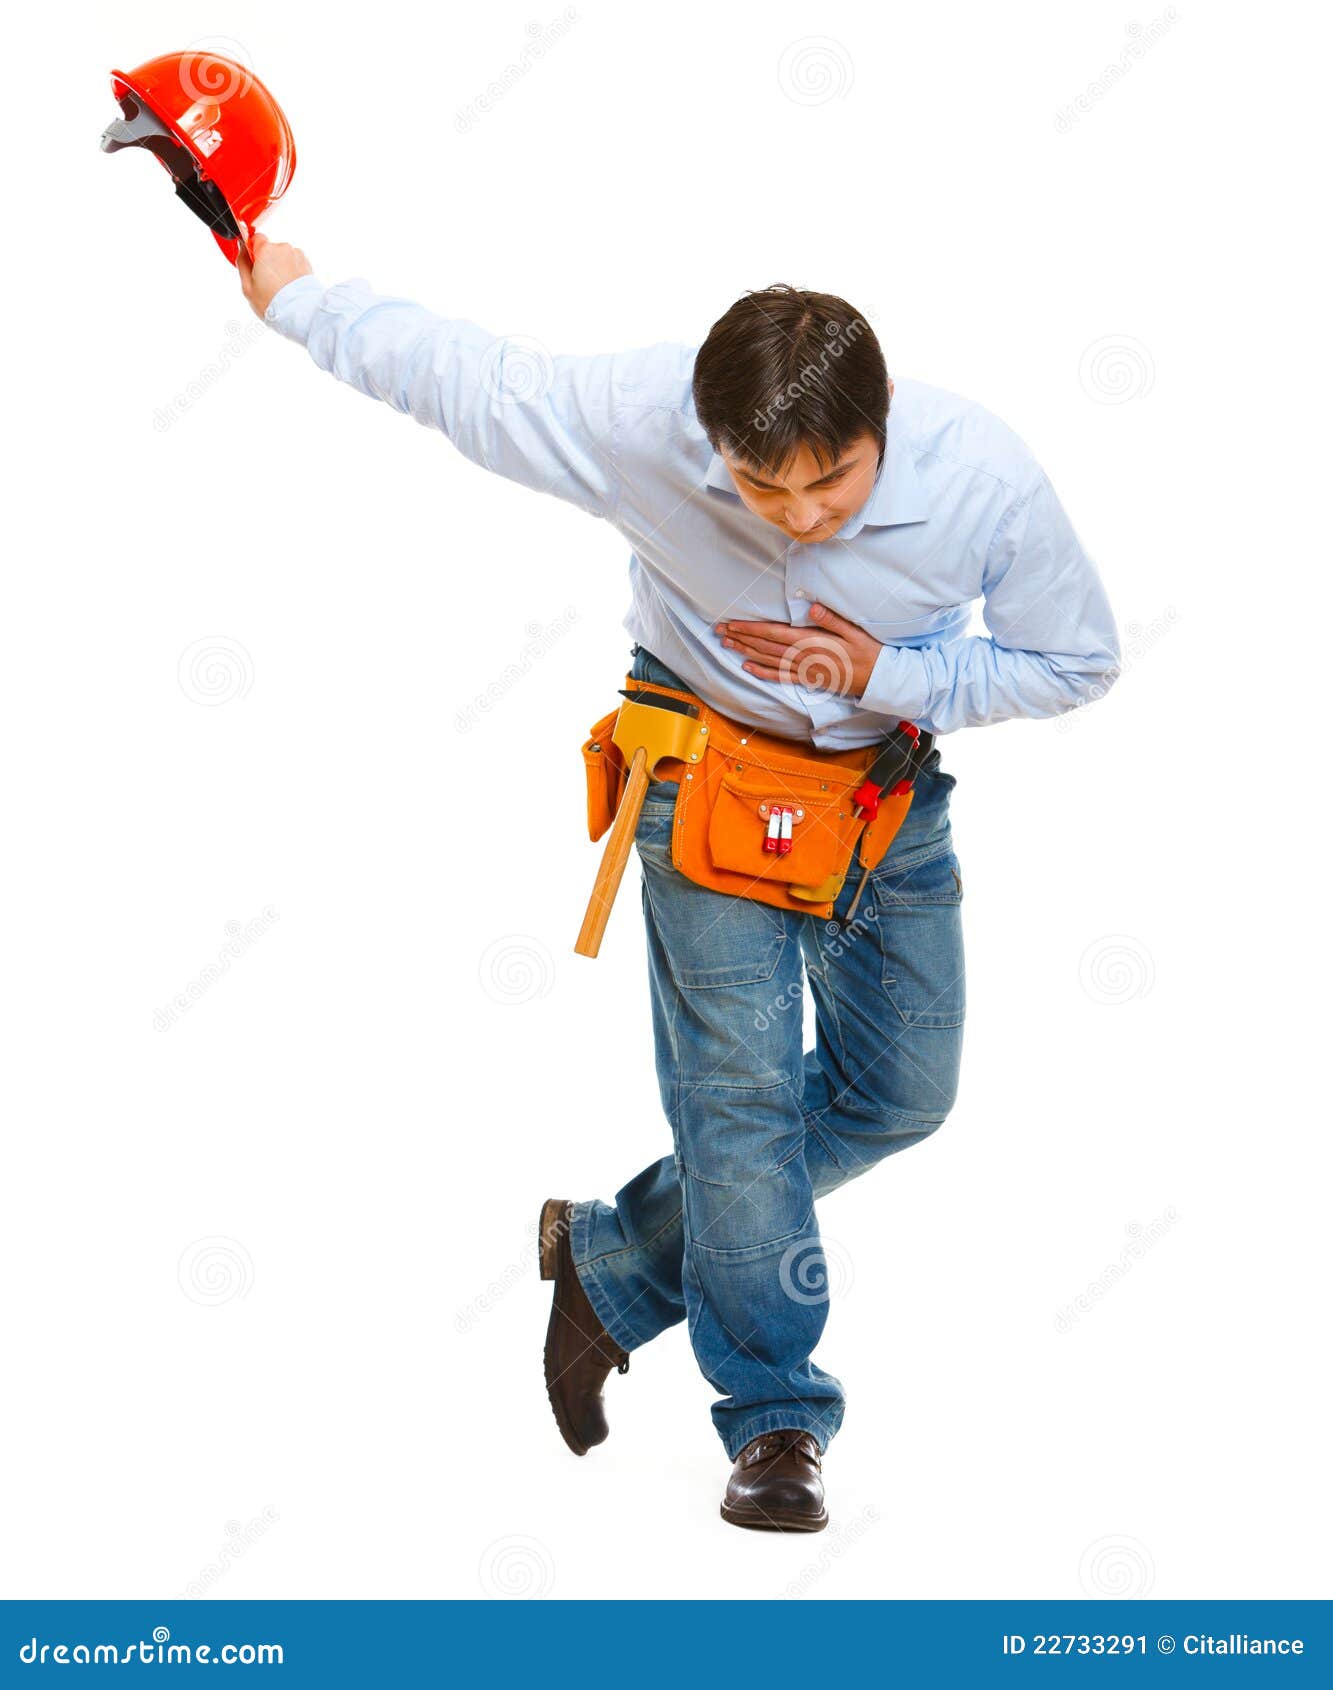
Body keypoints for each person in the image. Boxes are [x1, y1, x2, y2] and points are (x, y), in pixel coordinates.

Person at [242, 235, 1120, 1532]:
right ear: (713, 446)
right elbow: (467, 381)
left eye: (832, 480)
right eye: (767, 487)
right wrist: (297, 295)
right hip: (697, 769)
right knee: (742, 1101)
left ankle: (614, 1258)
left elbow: (1074, 658)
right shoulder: (640, 424)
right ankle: (774, 1418)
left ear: (881, 425)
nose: (805, 513)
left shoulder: (979, 475)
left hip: (878, 788)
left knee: (902, 1094)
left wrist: (887, 676)